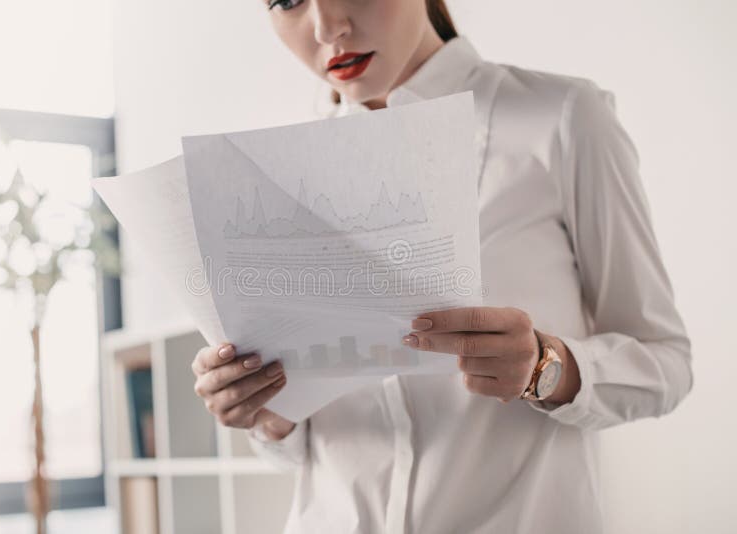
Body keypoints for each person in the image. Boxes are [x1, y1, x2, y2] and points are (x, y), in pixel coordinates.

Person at [190, 1, 693, 532]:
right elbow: (305, 450)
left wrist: (545, 367)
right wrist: (262, 412)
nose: (327, 28)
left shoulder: (561, 116)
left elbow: (665, 364)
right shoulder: (275, 171)